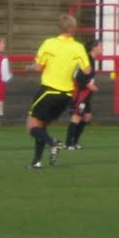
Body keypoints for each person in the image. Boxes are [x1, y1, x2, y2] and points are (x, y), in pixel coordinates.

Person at [27, 13, 90, 169]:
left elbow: (39, 67)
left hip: (49, 90)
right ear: (74, 29)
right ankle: (36, 162)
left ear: (59, 27)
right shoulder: (78, 47)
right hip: (67, 94)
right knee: (42, 126)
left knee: (32, 125)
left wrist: (31, 66)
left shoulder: (49, 44)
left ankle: (53, 143)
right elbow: (87, 70)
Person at [63, 38, 100, 150]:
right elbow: (77, 77)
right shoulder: (86, 60)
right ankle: (69, 143)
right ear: (94, 48)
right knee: (77, 116)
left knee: (87, 117)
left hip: (86, 93)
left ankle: (75, 141)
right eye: (100, 46)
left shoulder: (92, 60)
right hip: (80, 92)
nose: (102, 48)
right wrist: (88, 85)